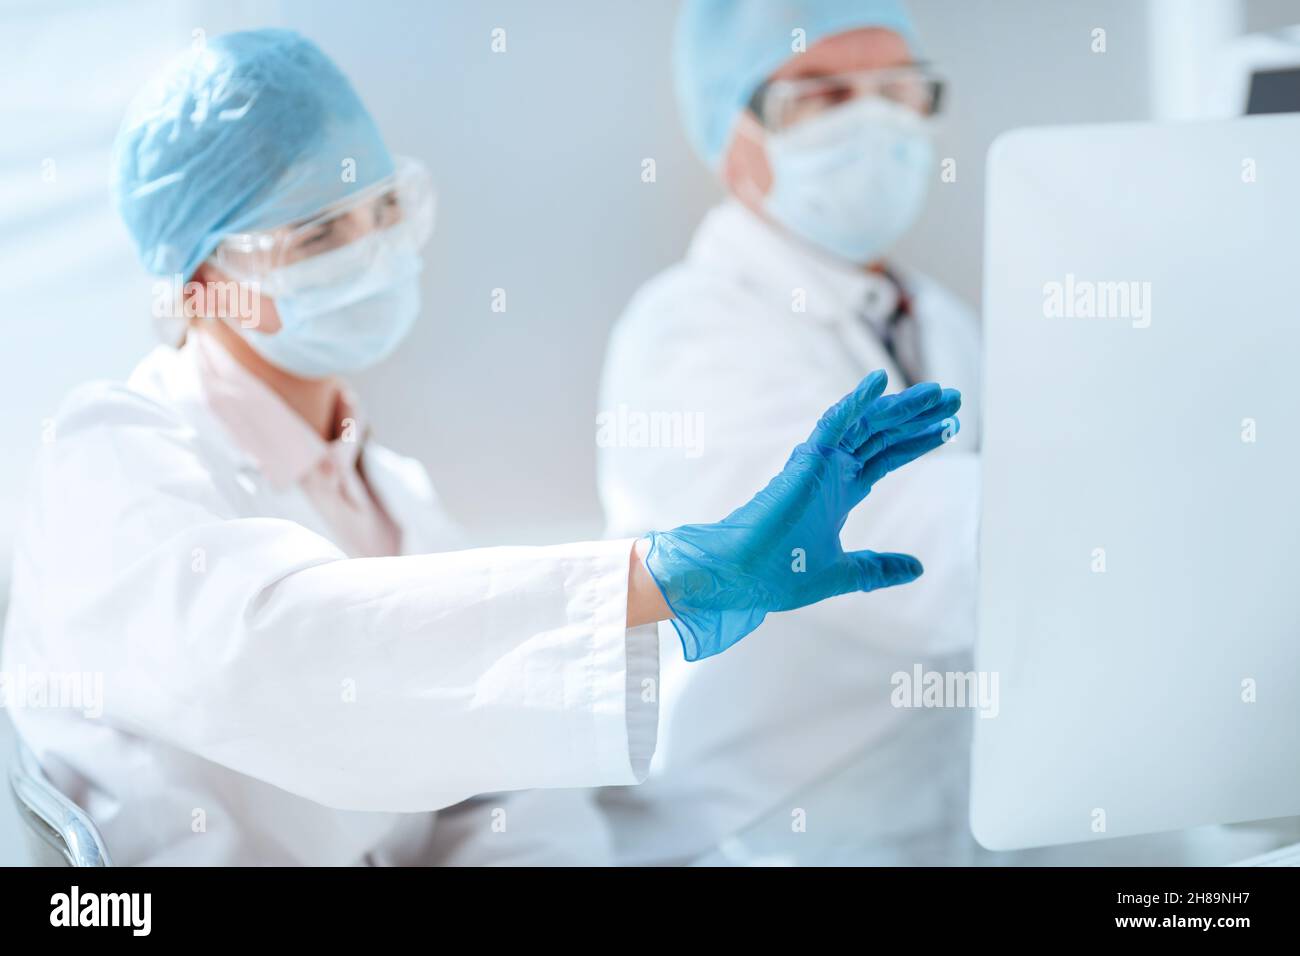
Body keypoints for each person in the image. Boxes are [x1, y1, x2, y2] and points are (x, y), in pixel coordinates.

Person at [1, 29, 961, 865]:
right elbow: (279, 655)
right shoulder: (114, 453)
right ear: (203, 282)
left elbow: (509, 793)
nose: (371, 246)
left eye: (383, 208)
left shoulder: (395, 498)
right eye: (319, 230)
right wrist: (659, 580)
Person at [595, 0, 982, 864]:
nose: (873, 119)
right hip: (763, 827)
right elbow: (900, 551)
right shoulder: (689, 332)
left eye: (897, 89)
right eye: (820, 93)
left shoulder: (944, 321)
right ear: (733, 135)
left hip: (934, 802)